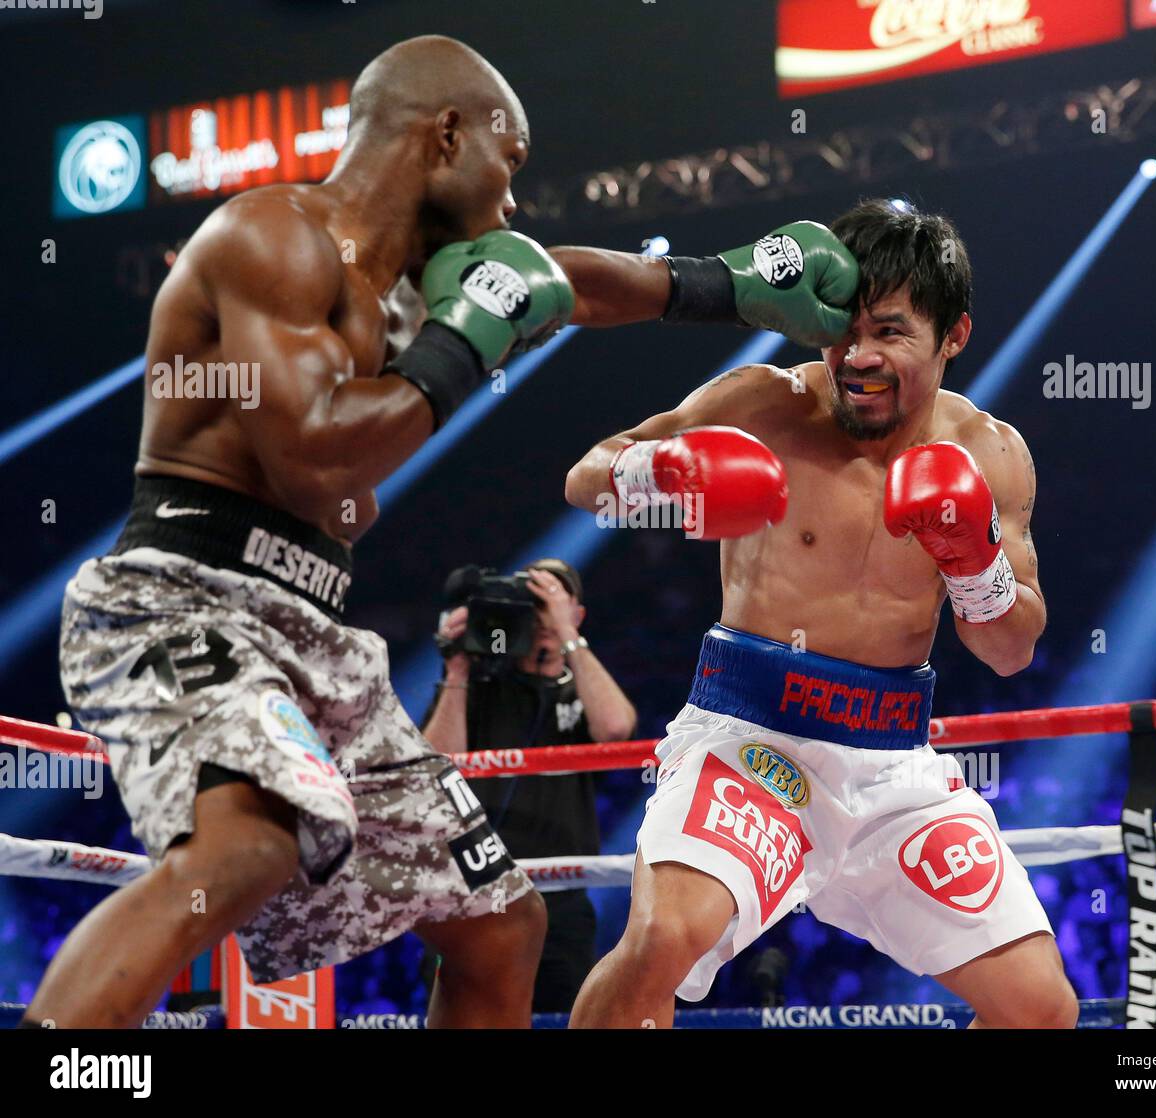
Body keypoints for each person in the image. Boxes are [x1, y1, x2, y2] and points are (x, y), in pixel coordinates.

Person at [28, 33, 861, 1028]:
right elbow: (316, 456)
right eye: (508, 165)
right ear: (446, 132)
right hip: (185, 598)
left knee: (500, 921)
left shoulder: (412, 280)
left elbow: (570, 283)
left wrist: (728, 282)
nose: (511, 199)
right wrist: (466, 340)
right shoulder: (270, 236)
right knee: (246, 843)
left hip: (316, 632)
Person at [563, 198, 1079, 1029]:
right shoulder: (763, 402)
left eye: (889, 332)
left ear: (955, 337)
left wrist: (973, 562)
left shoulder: (991, 454)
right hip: (749, 741)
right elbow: (586, 476)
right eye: (842, 330)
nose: (857, 356)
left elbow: (1012, 649)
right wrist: (659, 475)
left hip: (891, 769)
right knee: (661, 940)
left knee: (1042, 1009)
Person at [421, 559, 635, 1012]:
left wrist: (565, 630)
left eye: (549, 603)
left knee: (561, 1019)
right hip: (476, 889)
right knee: (465, 1018)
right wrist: (457, 669)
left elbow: (616, 728)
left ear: (575, 613)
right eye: (531, 605)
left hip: (561, 894)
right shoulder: (479, 685)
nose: (539, 616)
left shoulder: (578, 689)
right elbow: (436, 766)